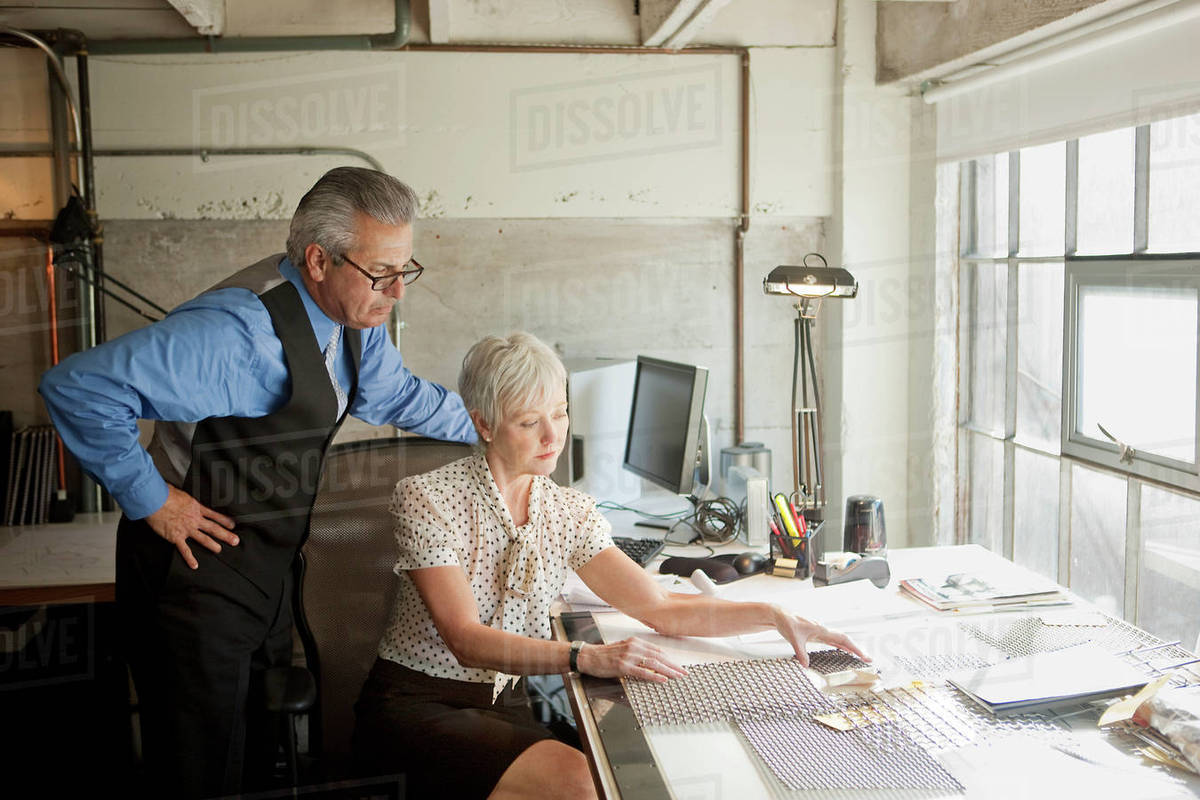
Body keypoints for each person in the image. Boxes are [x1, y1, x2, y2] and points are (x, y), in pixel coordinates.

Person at [38, 167, 476, 798]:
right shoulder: (237, 331)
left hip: (263, 575)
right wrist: (152, 499)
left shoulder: (356, 318)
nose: (396, 291)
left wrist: (494, 426)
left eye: (405, 269)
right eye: (381, 272)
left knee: (253, 763)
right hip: (190, 580)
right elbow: (80, 387)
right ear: (318, 260)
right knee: (198, 774)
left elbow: (394, 394)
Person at [353, 332, 867, 799]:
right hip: (418, 704)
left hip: (506, 705)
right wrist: (586, 657)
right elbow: (465, 638)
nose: (553, 436)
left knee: (615, 777)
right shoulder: (427, 498)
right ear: (484, 424)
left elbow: (659, 605)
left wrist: (773, 616)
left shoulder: (568, 511)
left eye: (560, 413)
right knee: (585, 783)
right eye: (530, 422)